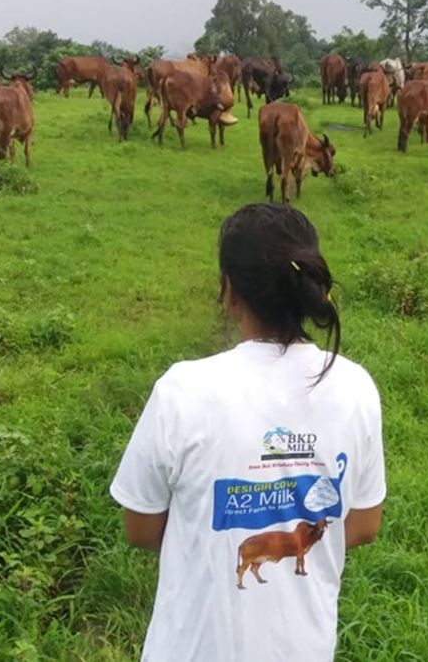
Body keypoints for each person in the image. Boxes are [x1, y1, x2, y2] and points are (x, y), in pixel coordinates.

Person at [110, 203, 386, 661]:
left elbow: (140, 529)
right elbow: (363, 525)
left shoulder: (183, 390)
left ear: (229, 291)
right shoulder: (355, 386)